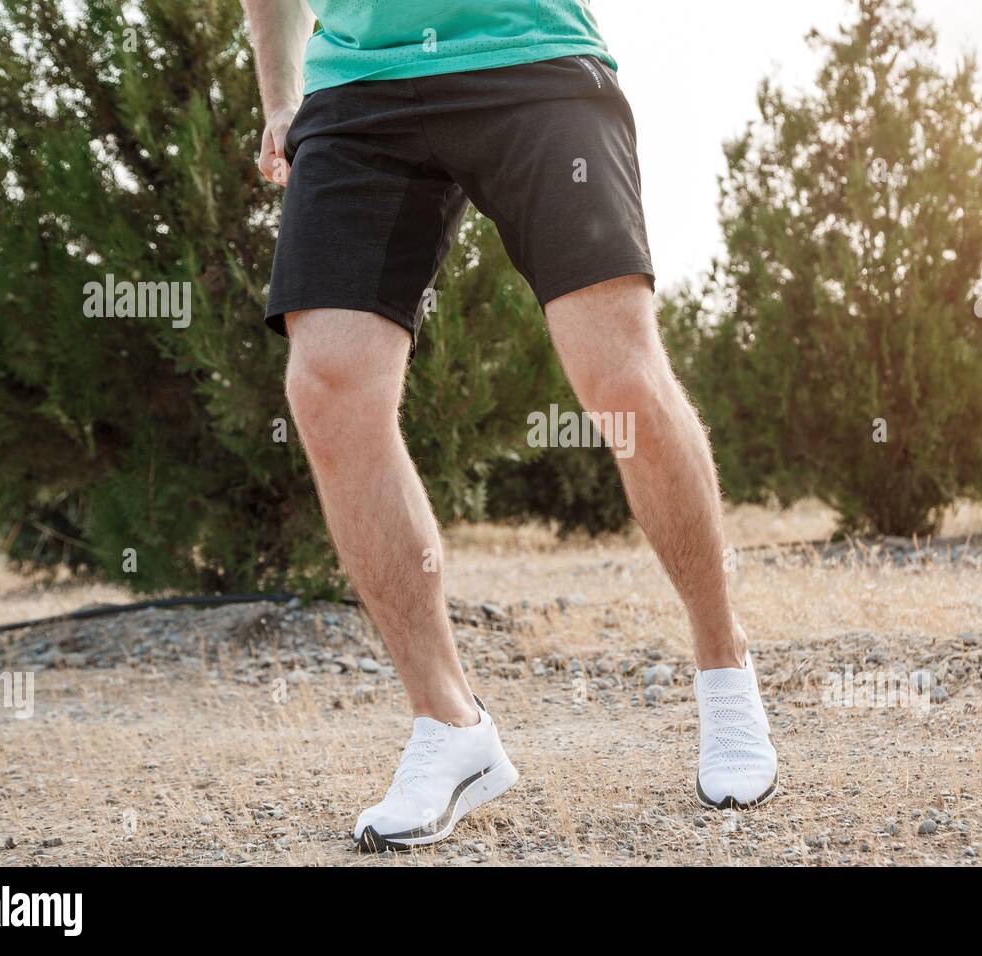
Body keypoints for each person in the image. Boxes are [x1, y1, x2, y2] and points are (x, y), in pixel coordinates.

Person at [240, 0, 777, 852]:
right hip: (358, 87)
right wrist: (282, 96)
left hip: (529, 57)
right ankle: (449, 725)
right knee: (329, 388)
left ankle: (723, 664)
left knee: (622, 379)